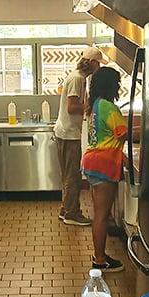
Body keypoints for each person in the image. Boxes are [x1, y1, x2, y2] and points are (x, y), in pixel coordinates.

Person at [81, 66, 128, 273]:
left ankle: (100, 255)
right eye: (117, 83)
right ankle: (99, 260)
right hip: (103, 164)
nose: (118, 87)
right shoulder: (108, 107)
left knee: (100, 213)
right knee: (101, 214)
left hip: (92, 162)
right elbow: (122, 133)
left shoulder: (95, 105)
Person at [53, 46, 106, 226]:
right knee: (72, 175)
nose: (99, 67)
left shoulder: (78, 78)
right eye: (98, 63)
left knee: (68, 174)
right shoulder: (77, 79)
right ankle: (72, 213)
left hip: (65, 132)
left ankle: (65, 208)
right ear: (91, 63)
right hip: (68, 134)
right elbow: (71, 106)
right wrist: (88, 106)